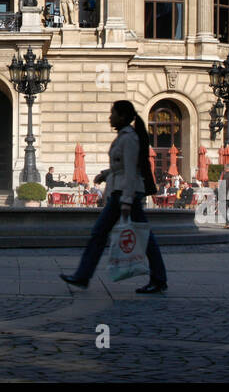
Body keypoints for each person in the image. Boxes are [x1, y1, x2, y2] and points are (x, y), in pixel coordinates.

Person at [60, 100, 168, 294]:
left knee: (112, 234)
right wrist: (106, 174)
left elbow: (131, 171)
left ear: (123, 116)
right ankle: (83, 276)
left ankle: (83, 276)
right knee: (116, 234)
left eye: (113, 113)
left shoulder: (129, 138)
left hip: (127, 194)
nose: (110, 117)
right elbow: (121, 167)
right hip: (121, 193)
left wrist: (126, 200)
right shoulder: (123, 137)